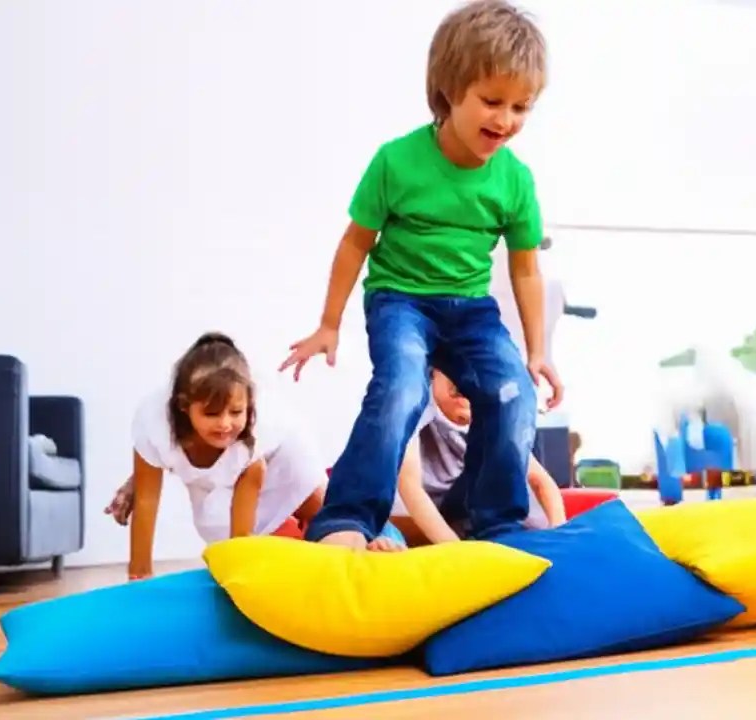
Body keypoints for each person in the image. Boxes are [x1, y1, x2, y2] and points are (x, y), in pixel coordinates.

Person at [278, 0, 562, 550]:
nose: (505, 120)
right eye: (492, 101)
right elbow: (355, 243)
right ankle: (348, 516)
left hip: (470, 309)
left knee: (512, 393)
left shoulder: (516, 180)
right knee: (403, 388)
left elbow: (526, 270)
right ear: (450, 89)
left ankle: (492, 519)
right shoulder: (397, 162)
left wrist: (537, 350)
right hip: (400, 300)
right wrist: (328, 325)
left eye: (521, 107)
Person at [124, 333, 403, 582]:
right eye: (211, 414)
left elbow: (241, 542)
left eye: (235, 412)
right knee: (225, 532)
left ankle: (383, 541)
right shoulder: (156, 425)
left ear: (248, 405)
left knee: (325, 515)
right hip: (229, 465)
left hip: (281, 450)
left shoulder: (255, 433)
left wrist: (239, 572)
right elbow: (147, 500)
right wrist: (139, 575)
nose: (224, 424)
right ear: (185, 407)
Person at [392, 369, 566, 544]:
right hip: (452, 520)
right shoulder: (416, 407)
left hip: (513, 523)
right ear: (433, 374)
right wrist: (455, 547)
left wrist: (559, 532)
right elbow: (409, 484)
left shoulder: (493, 415)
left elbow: (540, 480)